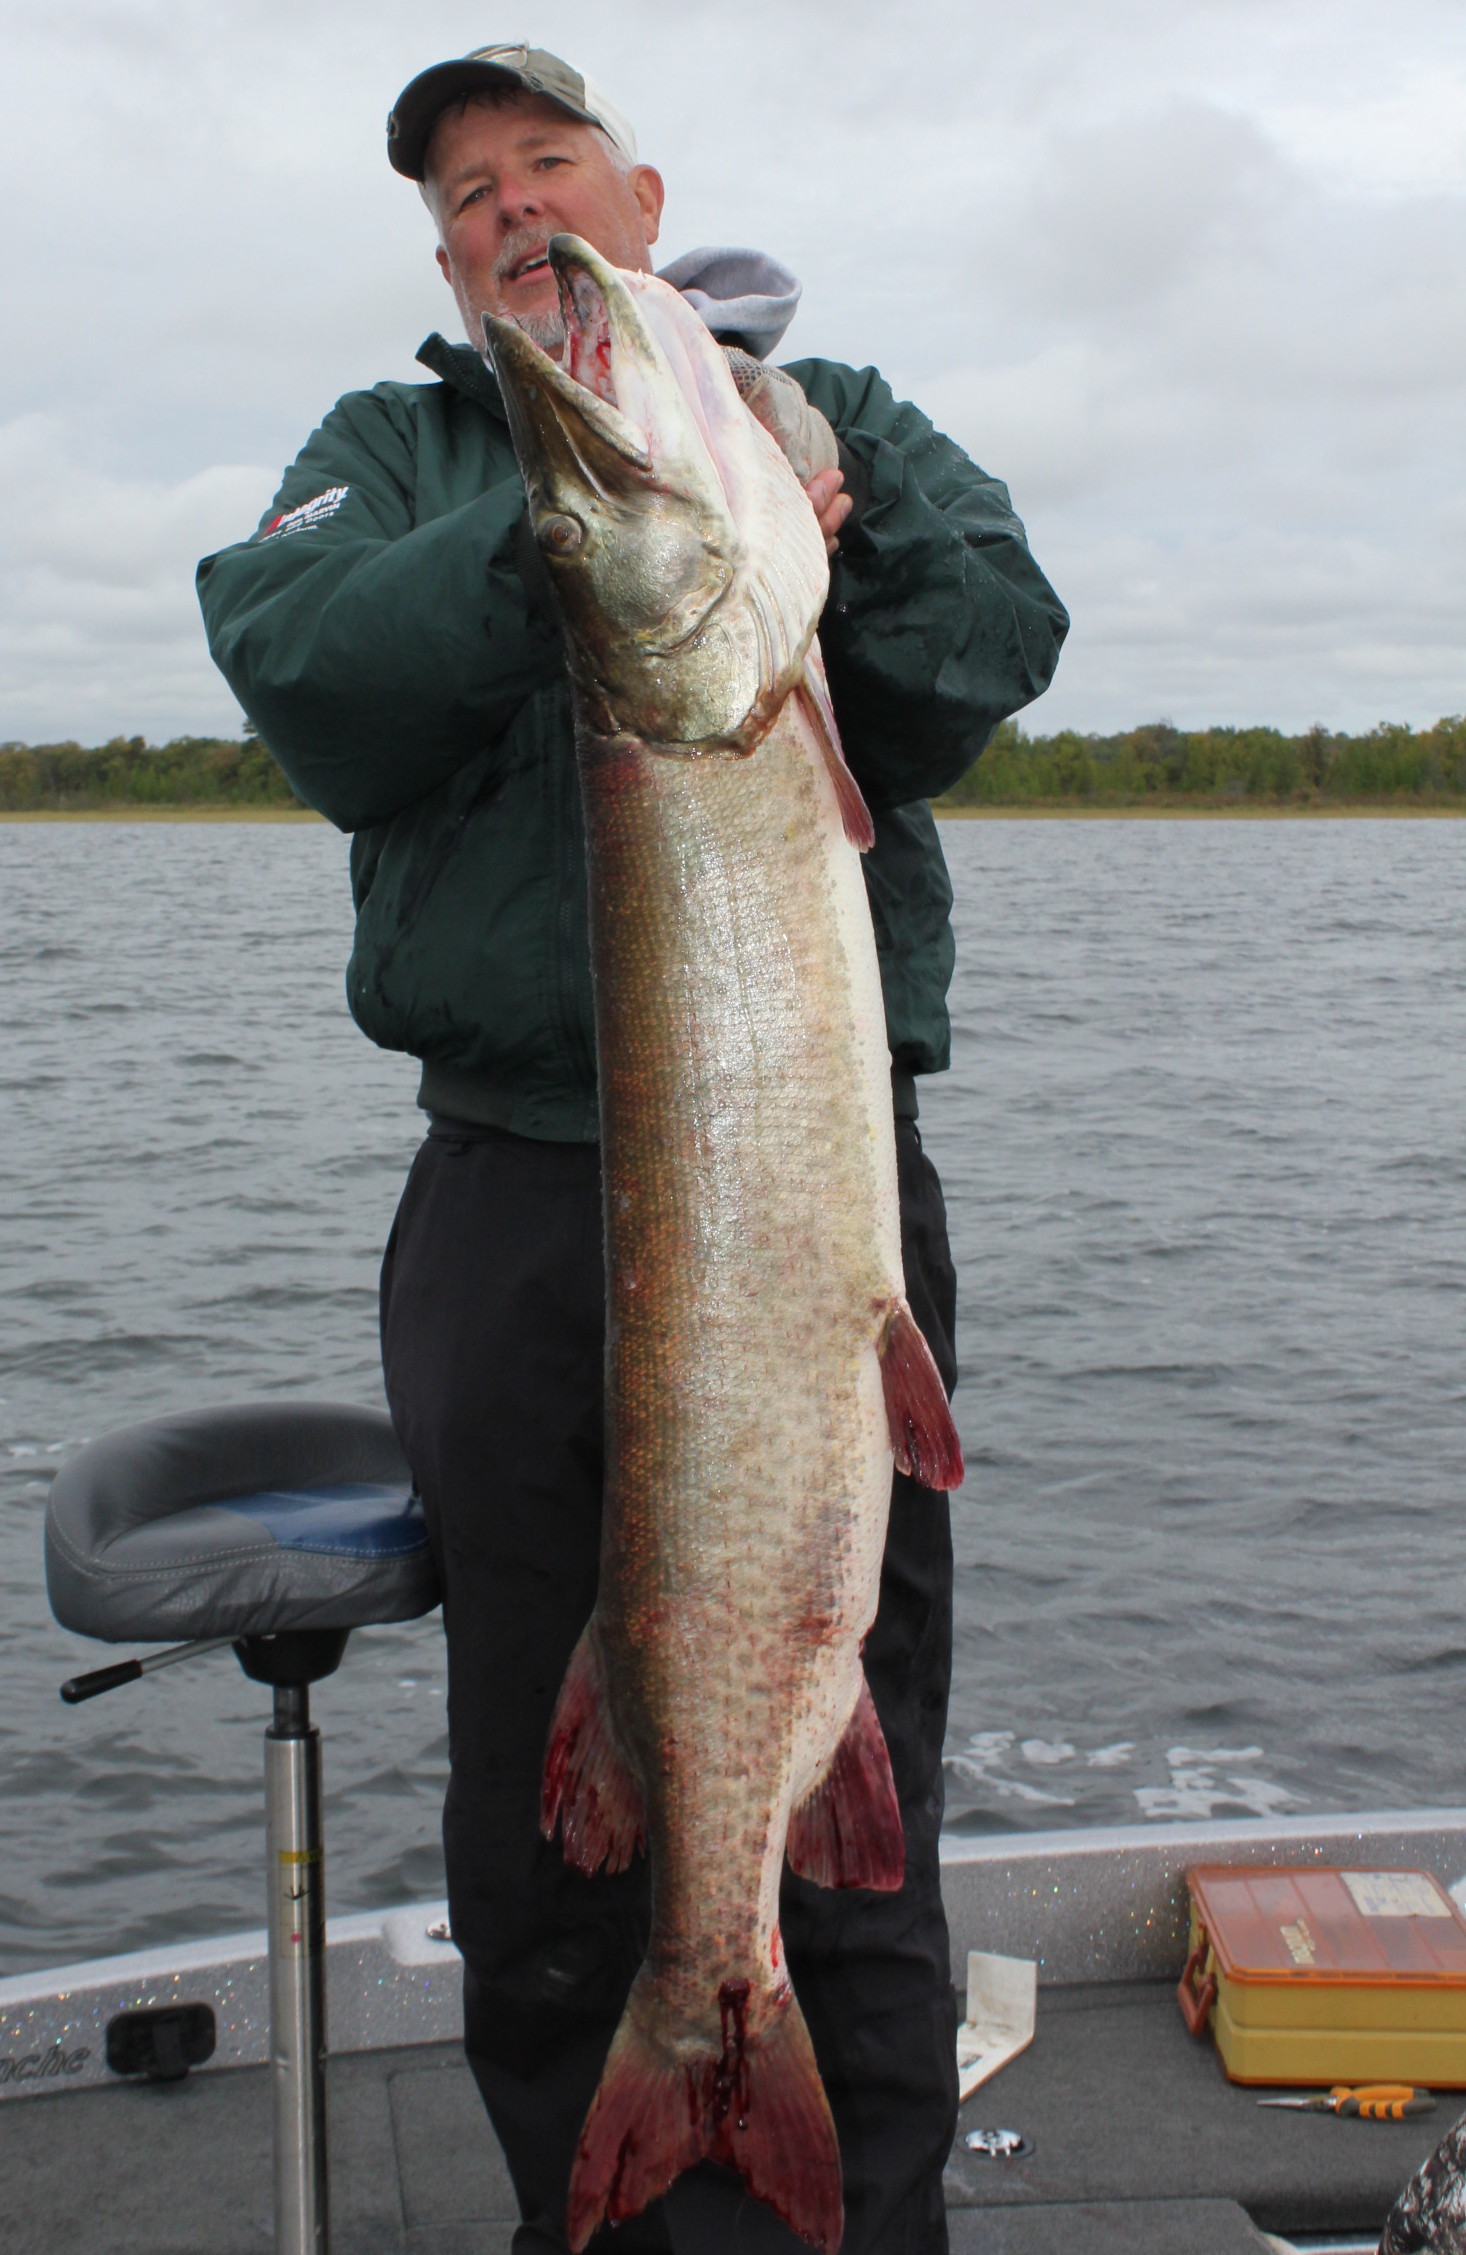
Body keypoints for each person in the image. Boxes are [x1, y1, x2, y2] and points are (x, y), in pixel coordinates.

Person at [198, 44, 1068, 2255]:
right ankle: (596, 2208)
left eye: (546, 161)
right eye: (465, 193)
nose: (512, 206)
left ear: (642, 197)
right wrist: (566, 522)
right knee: (546, 1788)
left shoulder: (825, 414)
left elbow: (987, 646)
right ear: (445, 259)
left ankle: (849, 2206)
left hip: (814, 1204)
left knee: (844, 1755)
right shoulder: (395, 454)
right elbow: (302, 669)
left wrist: (819, 519)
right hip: (509, 1205)